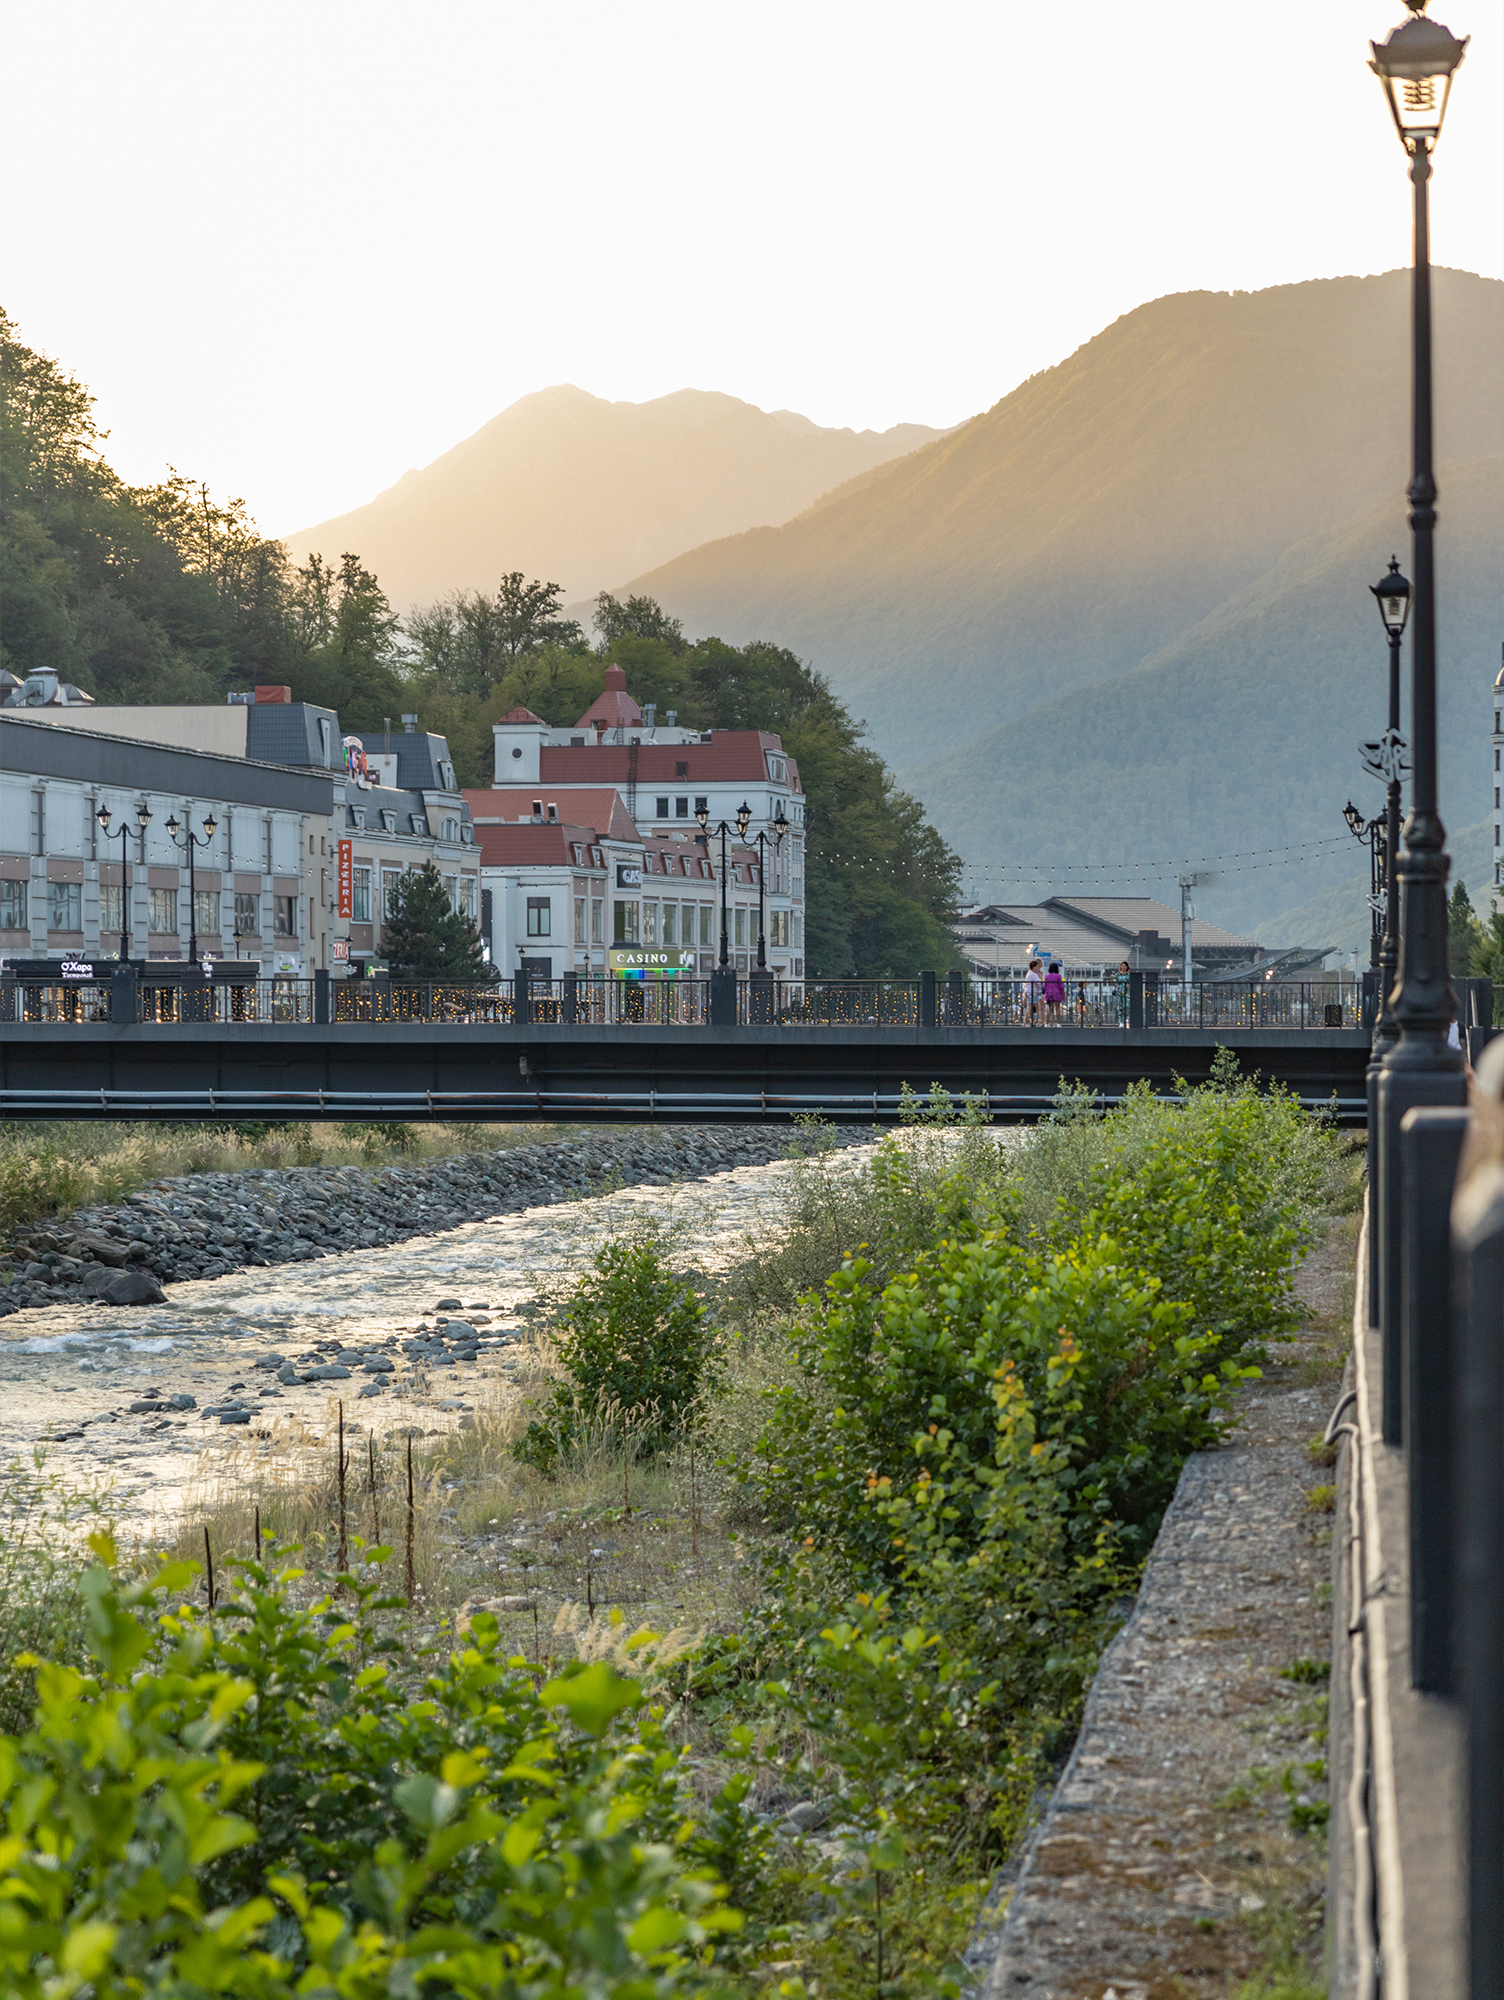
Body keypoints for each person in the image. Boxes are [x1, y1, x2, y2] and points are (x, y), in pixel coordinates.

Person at [1042, 959, 1065, 1025]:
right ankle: (1058, 1023)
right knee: (1057, 1008)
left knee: (1050, 1008)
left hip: (1049, 993)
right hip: (1057, 993)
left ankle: (1047, 1023)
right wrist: (1063, 993)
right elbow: (1060, 986)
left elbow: (1045, 985)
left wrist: (1045, 992)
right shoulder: (1058, 976)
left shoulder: (1046, 976)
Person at [1022, 957, 1044, 1025]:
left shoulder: (1029, 973)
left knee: (1030, 1007)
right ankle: (1039, 1022)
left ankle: (1025, 1022)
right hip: (1033, 992)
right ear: (1034, 967)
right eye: (1036, 966)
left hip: (1029, 992)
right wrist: (1040, 976)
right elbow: (1039, 982)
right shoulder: (1033, 974)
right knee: (1037, 1008)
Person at [1115, 959, 1132, 1026]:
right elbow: (1114, 983)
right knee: (1120, 1006)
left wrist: (1129, 985)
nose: (1123, 967)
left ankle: (1127, 1019)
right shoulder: (1117, 974)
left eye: (1124, 966)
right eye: (1122, 966)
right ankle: (1120, 1021)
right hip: (1119, 991)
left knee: (1127, 1005)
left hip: (1127, 991)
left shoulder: (1129, 975)